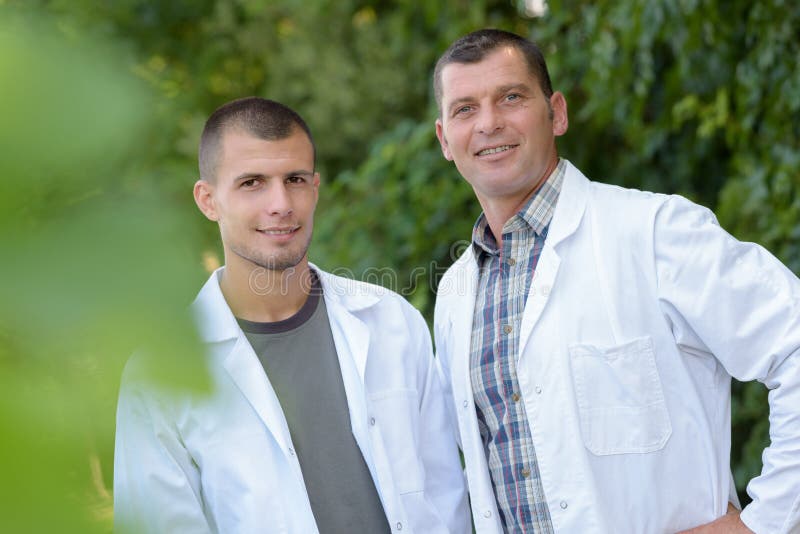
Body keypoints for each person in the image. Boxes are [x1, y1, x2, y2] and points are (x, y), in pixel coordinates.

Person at [432, 28, 800, 534]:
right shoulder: (455, 294)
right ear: (444, 139)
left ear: (556, 112)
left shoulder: (654, 232)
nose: (489, 123)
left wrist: (766, 524)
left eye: (511, 97)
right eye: (465, 109)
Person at [114, 97, 471, 533]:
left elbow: (447, 500)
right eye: (252, 183)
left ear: (315, 189)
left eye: (295, 179)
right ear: (208, 200)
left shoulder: (392, 323)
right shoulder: (160, 373)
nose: (281, 203)